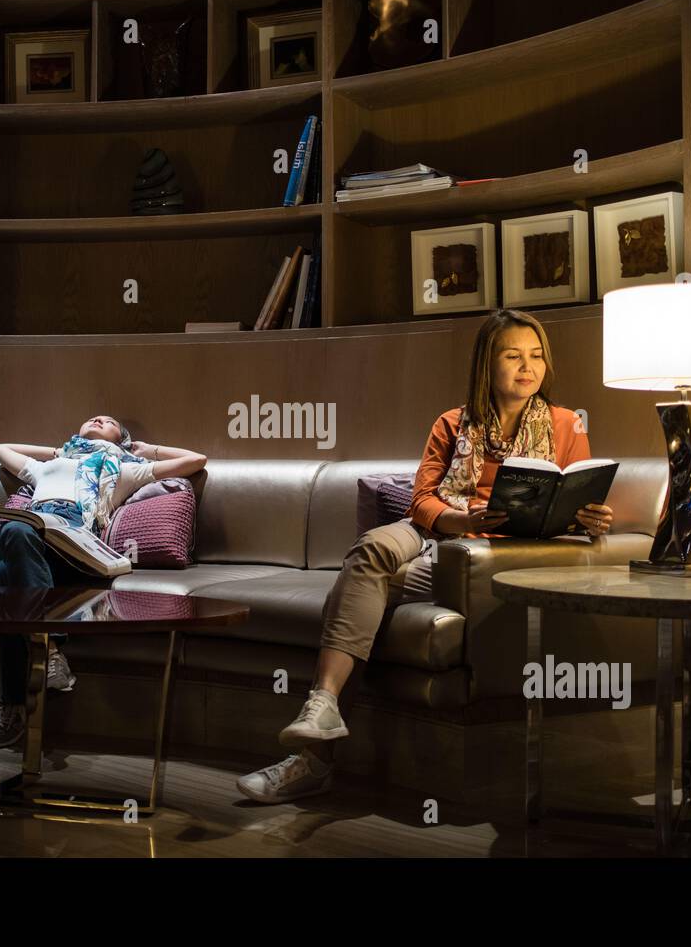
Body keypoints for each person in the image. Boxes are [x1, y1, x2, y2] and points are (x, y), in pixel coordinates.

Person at [236, 308, 616, 802]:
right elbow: (422, 500)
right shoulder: (452, 423)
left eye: (537, 355)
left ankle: (313, 760)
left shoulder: (566, 425)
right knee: (371, 550)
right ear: (487, 363)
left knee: (353, 595)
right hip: (439, 533)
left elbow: (570, 494)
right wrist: (463, 518)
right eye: (513, 356)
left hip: (491, 555)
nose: (528, 366)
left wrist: (589, 518)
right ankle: (322, 705)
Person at [0, 415, 207, 747]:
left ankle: (13, 707)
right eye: (94, 417)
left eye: (109, 421)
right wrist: (58, 452)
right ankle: (49, 652)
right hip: (33, 543)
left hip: (75, 548)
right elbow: (1, 448)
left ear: (121, 439)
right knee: (8, 562)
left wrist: (145, 450)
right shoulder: (48, 467)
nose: (99, 418)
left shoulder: (123, 470)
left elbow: (196, 460)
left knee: (9, 557)